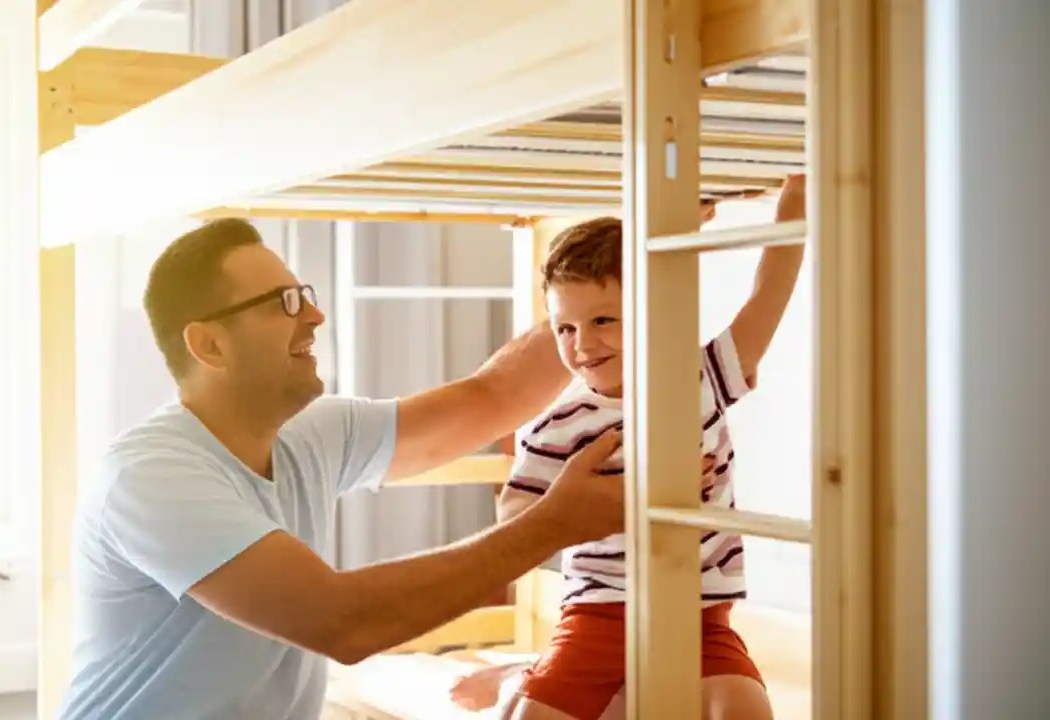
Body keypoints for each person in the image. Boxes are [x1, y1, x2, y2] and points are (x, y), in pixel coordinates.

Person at [54, 218, 626, 719]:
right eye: (284, 304)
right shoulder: (153, 478)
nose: (315, 315)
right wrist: (552, 524)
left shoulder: (308, 432)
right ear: (209, 345)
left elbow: (493, 397)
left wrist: (612, 283)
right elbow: (345, 623)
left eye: (303, 294)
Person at [460, 175, 807, 720]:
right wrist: (591, 500)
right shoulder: (561, 423)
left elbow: (768, 296)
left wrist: (795, 208)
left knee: (745, 711)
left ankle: (522, 670)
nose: (583, 344)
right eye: (564, 328)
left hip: (699, 615)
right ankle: (523, 672)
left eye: (603, 320)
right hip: (598, 614)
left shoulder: (701, 378)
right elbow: (513, 513)